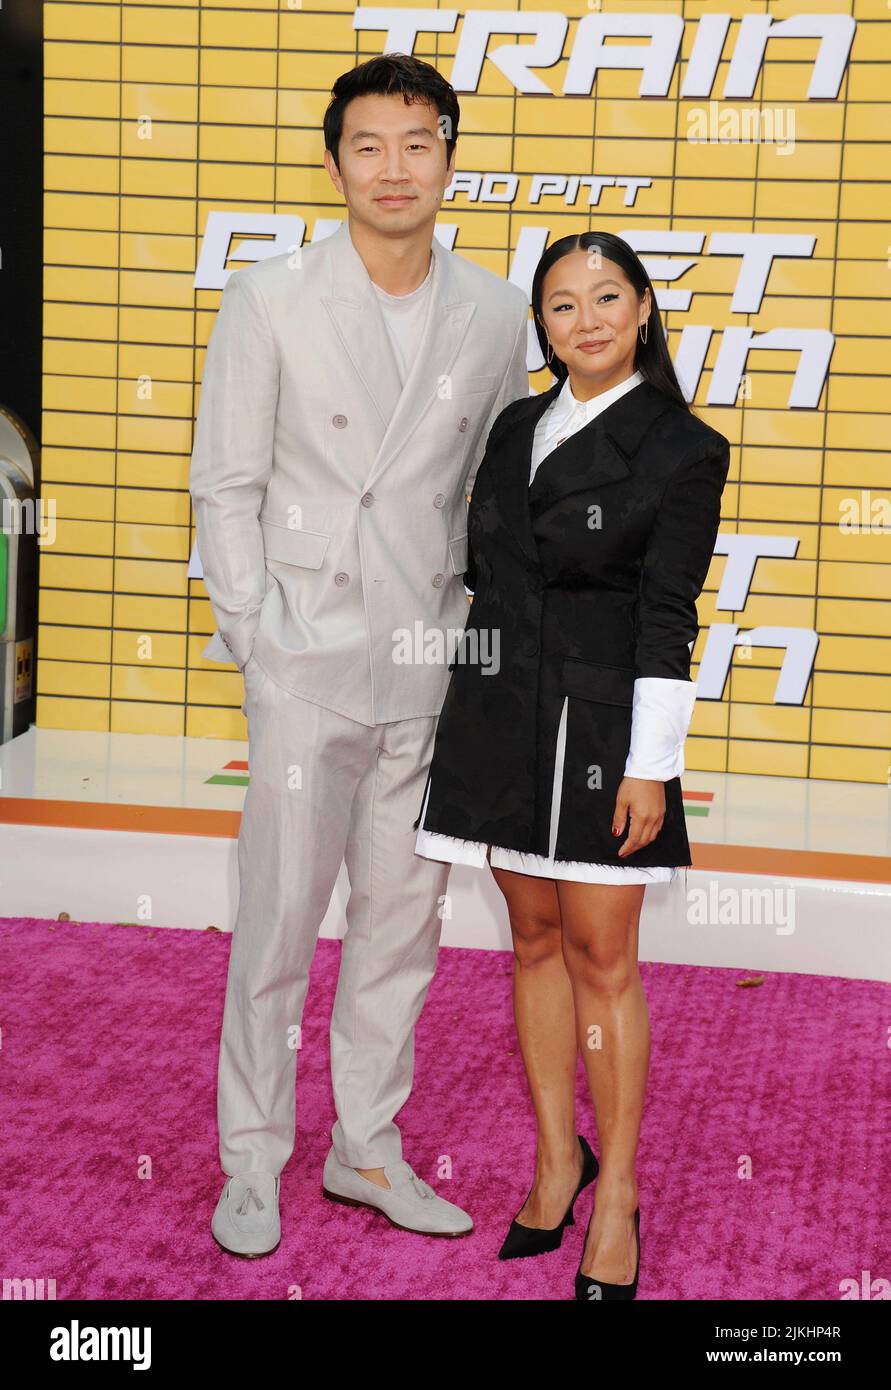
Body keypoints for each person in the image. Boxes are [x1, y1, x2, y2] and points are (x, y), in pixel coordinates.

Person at [189, 53, 529, 1257]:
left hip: (428, 658)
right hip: (305, 654)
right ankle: (252, 1160)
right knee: (277, 923)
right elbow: (224, 483)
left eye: (419, 141)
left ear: (451, 156)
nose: (396, 167)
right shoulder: (271, 296)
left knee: (402, 926)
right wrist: (254, 633)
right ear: (334, 162)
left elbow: (502, 494)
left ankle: (367, 1148)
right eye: (371, 144)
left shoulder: (495, 310)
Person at [414, 231, 731, 1299]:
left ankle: (622, 1192)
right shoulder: (514, 426)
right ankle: (560, 1161)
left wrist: (651, 765)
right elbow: (486, 577)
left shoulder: (683, 447)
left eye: (607, 297)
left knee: (604, 958)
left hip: (600, 739)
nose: (586, 320)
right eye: (561, 304)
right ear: (539, 325)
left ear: (643, 308)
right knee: (532, 942)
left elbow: (667, 616)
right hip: (501, 716)